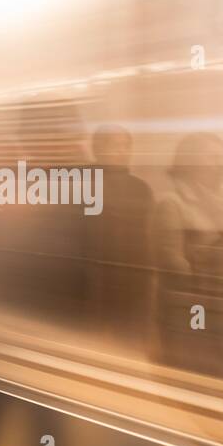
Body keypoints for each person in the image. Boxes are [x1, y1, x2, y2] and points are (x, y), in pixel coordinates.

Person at [151, 132, 223, 379]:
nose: (218, 163)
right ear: (190, 160)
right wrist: (212, 261)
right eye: (211, 156)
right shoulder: (171, 203)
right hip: (192, 316)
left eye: (221, 157)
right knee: (193, 379)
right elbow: (172, 265)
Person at [85, 125, 154, 347]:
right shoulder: (84, 183)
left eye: (127, 145)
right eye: (116, 145)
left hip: (131, 280)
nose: (123, 151)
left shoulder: (140, 188)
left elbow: (145, 238)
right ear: (98, 149)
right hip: (95, 279)